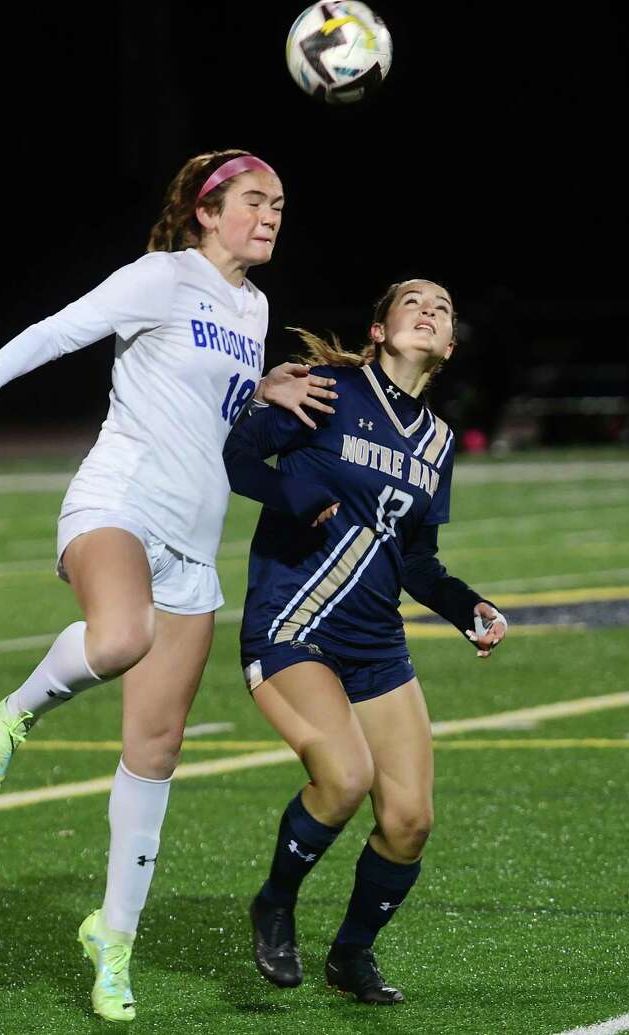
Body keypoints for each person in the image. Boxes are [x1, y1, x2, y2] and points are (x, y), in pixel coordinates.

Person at [0, 149, 338, 1023]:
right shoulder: (161, 275)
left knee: (157, 749)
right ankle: (15, 712)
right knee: (118, 636)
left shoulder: (252, 307)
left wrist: (260, 389)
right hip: (118, 502)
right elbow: (61, 327)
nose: (272, 216)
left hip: (193, 540)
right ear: (205, 213)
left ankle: (114, 937)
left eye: (281, 205)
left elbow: (208, 403)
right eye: (256, 201)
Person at [222, 279, 508, 1004]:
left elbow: (414, 559)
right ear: (378, 330)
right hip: (294, 623)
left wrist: (467, 605)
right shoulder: (331, 389)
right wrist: (290, 493)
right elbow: (237, 455)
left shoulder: (438, 441)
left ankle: (351, 953)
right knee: (344, 776)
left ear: (446, 347)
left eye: (443, 308)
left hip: (377, 642)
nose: (430, 311)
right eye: (413, 302)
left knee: (410, 821)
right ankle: (275, 901)